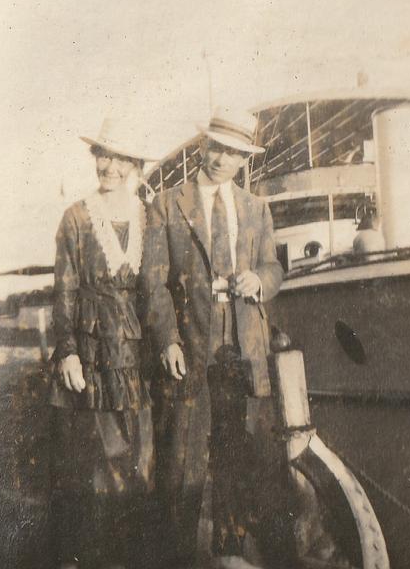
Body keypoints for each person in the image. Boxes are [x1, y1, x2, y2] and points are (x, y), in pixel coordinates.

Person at [140, 106, 284, 569]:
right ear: (204, 146)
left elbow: (273, 267)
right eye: (218, 148)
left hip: (242, 343)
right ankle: (176, 555)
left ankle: (229, 550)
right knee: (181, 454)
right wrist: (168, 339)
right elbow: (154, 282)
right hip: (191, 342)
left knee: (235, 448)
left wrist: (258, 281)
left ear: (245, 159)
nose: (223, 159)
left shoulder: (256, 207)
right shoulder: (168, 204)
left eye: (234, 153)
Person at [49, 118, 158, 569]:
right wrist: (68, 351)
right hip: (93, 354)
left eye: (120, 159)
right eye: (103, 156)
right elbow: (65, 292)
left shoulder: (148, 216)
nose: (109, 166)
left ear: (135, 166)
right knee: (103, 462)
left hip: (137, 355)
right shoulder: (77, 217)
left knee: (142, 461)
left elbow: (156, 288)